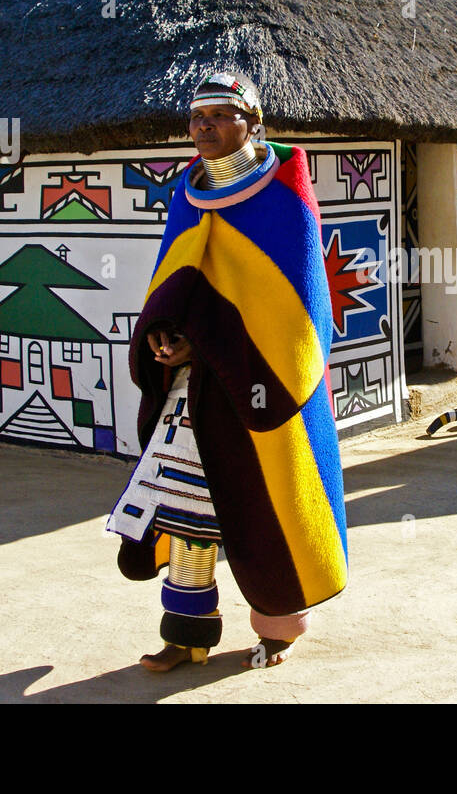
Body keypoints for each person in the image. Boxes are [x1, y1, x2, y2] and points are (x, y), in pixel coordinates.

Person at [106, 72, 347, 671]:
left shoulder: (282, 194)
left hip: (263, 385)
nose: (204, 127)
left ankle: (279, 628)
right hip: (195, 390)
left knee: (267, 505)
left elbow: (294, 308)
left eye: (220, 114)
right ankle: (186, 634)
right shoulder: (187, 192)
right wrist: (168, 340)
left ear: (252, 122)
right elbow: (176, 280)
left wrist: (207, 345)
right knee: (188, 506)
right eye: (196, 117)